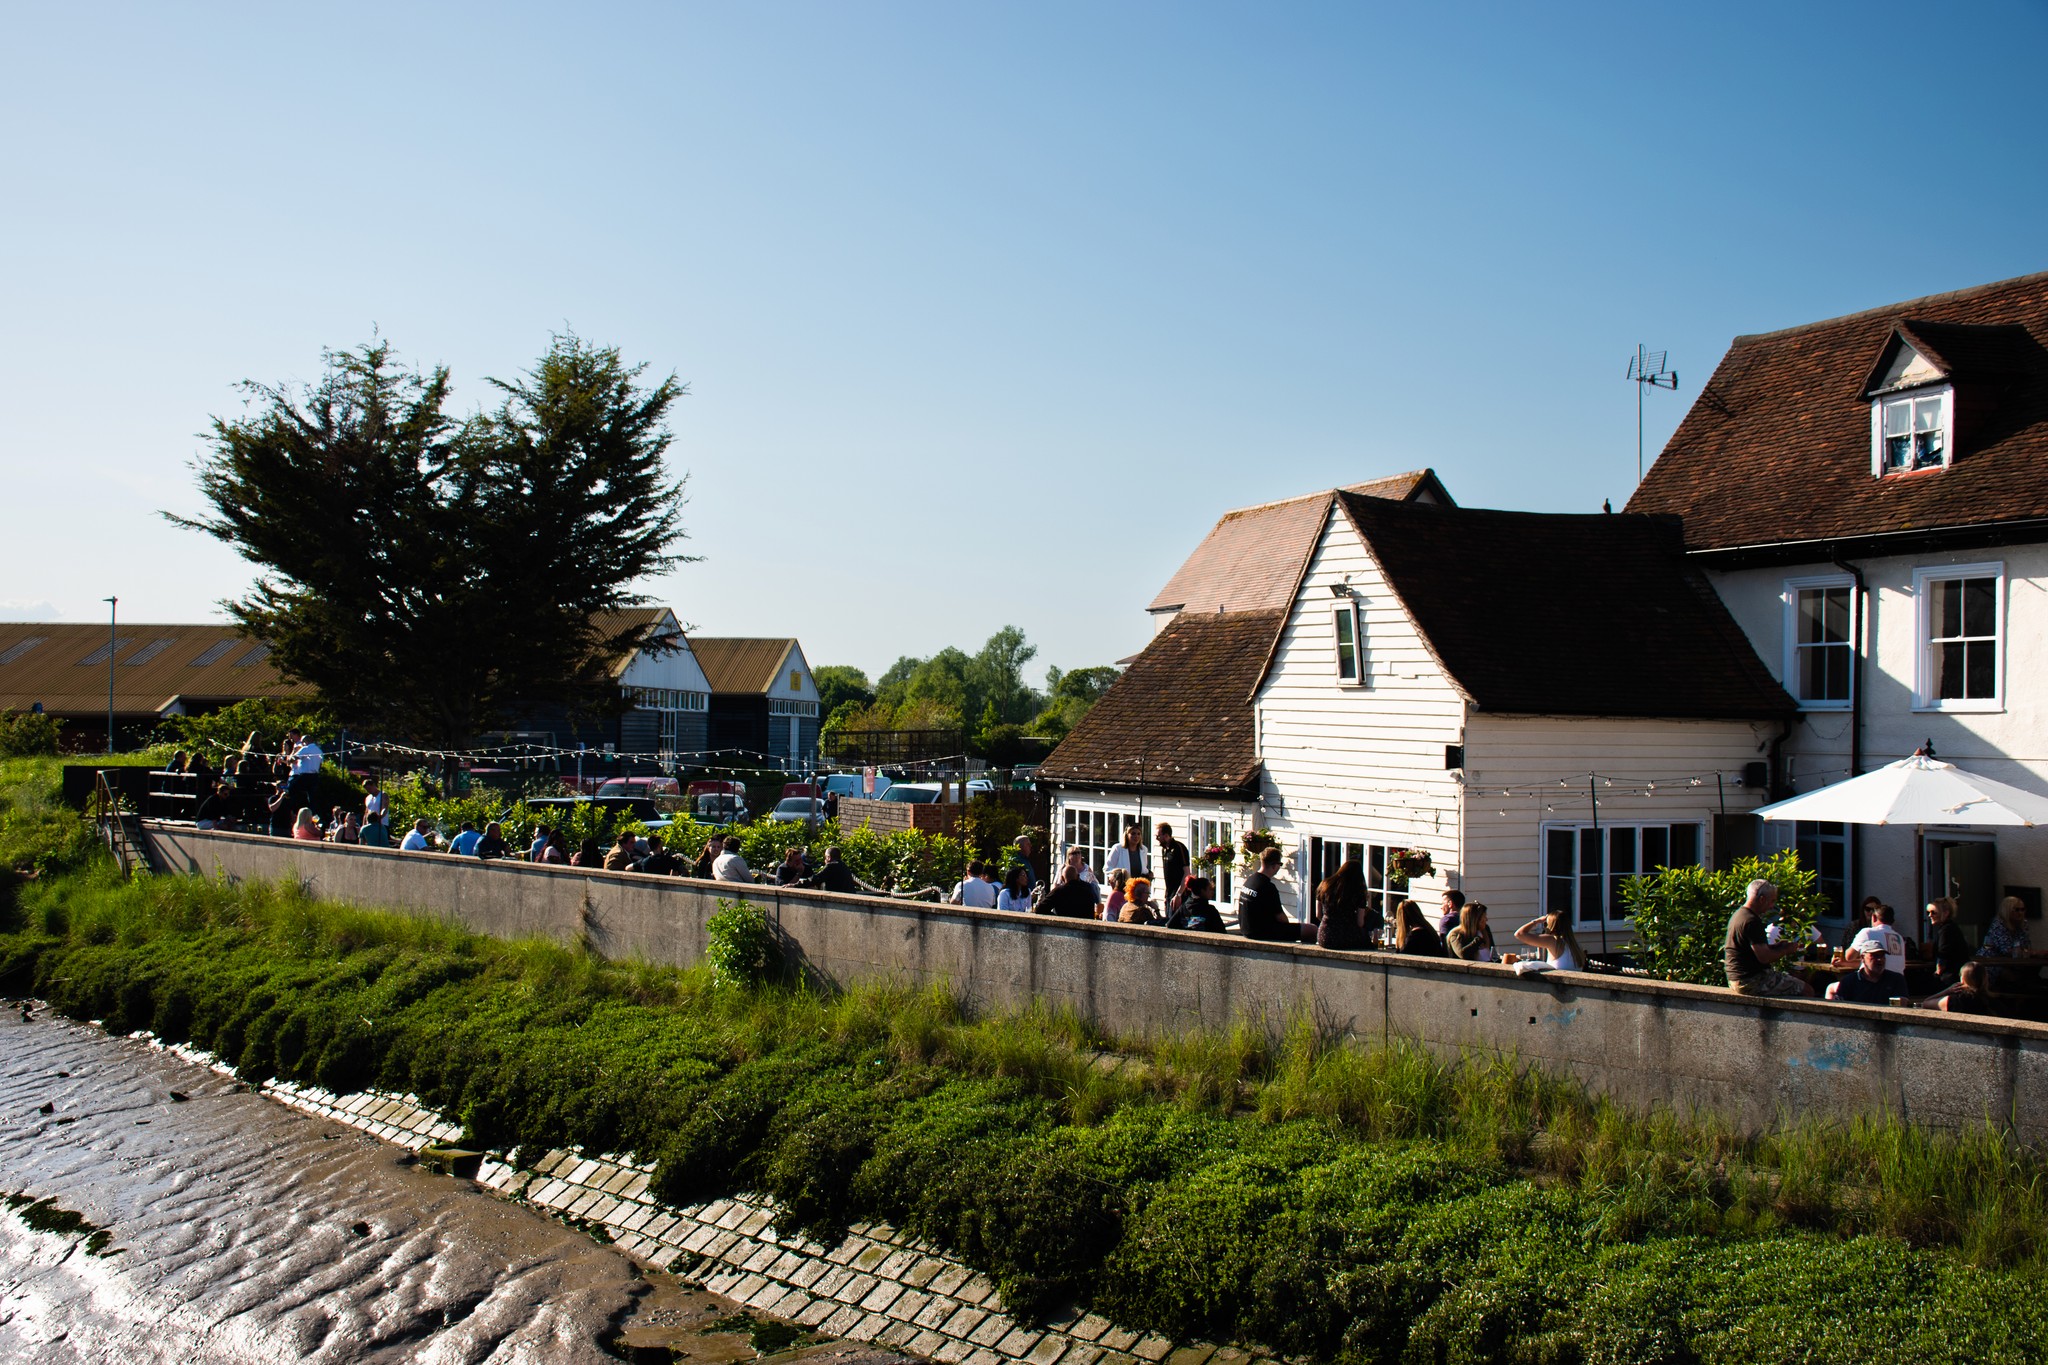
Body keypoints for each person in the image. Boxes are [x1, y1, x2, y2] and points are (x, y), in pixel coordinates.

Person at [1722, 878, 1812, 997]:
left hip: (1736, 977)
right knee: (1807, 991)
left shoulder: (1739, 914)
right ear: (1762, 899)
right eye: (1772, 901)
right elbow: (1764, 957)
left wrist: (1775, 947)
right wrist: (1786, 950)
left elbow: (1751, 950)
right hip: (1749, 980)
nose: (1772, 906)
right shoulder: (1752, 921)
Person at [1236, 846, 1295, 941]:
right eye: (1280, 864)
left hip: (1245, 929)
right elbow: (1281, 918)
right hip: (1262, 932)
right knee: (1311, 929)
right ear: (1274, 865)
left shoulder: (1249, 880)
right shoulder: (1268, 887)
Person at [1977, 896, 2039, 989]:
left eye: (2023, 910)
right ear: (2007, 910)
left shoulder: (2023, 924)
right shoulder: (1998, 925)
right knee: (2015, 978)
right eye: (2017, 910)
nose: (2020, 913)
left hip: (2012, 963)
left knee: (2031, 974)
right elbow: (2007, 950)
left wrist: (2029, 952)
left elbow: (2026, 945)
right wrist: (2034, 953)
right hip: (1991, 963)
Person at [1314, 859, 1374, 951]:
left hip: (1324, 936)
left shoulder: (1324, 885)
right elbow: (1360, 922)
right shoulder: (1357, 891)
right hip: (1346, 936)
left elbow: (1318, 914)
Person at [1827, 941, 1907, 1005]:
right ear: (1862, 957)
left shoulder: (1896, 979)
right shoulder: (1849, 981)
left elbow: (1900, 1007)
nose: (1880, 959)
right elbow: (1840, 1009)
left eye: (1882, 956)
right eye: (1875, 956)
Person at [1512, 909, 1585, 972]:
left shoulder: (1553, 940)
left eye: (1545, 924)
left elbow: (1519, 934)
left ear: (1551, 926)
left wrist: (1537, 921)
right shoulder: (1576, 945)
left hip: (1558, 986)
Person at [1034, 851, 1100, 918]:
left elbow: (1040, 909)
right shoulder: (1088, 888)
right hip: (1085, 925)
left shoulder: (1058, 891)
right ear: (1078, 876)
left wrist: (1057, 918)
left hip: (1064, 926)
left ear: (1062, 878)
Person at [1848, 902, 1906, 977]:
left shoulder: (1867, 932)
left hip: (1873, 981)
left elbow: (1849, 957)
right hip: (1896, 982)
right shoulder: (1899, 937)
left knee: (1832, 987)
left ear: (1874, 917)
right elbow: (1890, 963)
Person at [1924, 897, 1972, 987]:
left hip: (1949, 978)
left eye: (1933, 912)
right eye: (1928, 912)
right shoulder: (1950, 928)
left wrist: (1937, 973)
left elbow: (1943, 954)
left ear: (1945, 913)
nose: (1930, 915)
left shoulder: (1946, 930)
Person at [1155, 824, 1191, 910]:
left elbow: (1187, 873)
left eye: (1158, 836)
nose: (1156, 839)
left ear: (1166, 836)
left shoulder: (1178, 848)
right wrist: (1166, 896)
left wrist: (1179, 895)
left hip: (1180, 894)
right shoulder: (1164, 850)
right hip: (1169, 894)